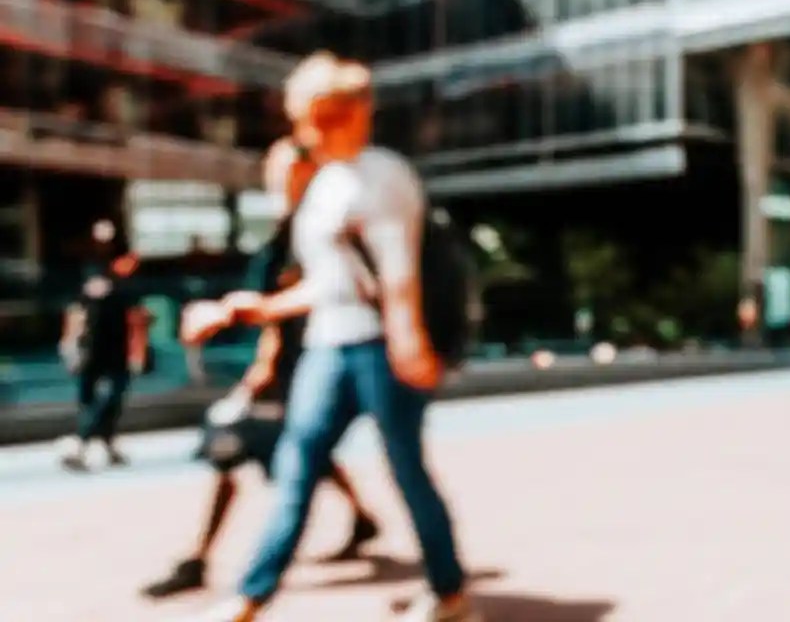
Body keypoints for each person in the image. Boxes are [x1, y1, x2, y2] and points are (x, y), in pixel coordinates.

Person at [180, 52, 479, 622]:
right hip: (327, 345)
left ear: (341, 115)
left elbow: (397, 270)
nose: (305, 128)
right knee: (297, 461)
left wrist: (409, 341)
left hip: (378, 347)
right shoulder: (324, 185)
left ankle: (449, 592)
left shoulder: (382, 175)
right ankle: (251, 595)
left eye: (315, 115)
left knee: (405, 467)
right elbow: (325, 282)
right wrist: (255, 308)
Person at [141, 140, 379, 600]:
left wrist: (261, 369)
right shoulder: (290, 235)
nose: (278, 178)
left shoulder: (310, 233)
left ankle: (217, 568)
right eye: (274, 168)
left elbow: (293, 311)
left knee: (234, 451)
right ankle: (359, 518)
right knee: (302, 455)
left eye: (289, 169)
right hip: (302, 370)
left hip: (305, 369)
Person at [58, 220, 150, 471]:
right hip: (90, 346)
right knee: (88, 398)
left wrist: (137, 351)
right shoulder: (87, 270)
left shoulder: (127, 272)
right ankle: (101, 443)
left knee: (112, 396)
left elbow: (137, 316)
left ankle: (84, 442)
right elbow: (76, 310)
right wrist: (69, 342)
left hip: (117, 346)